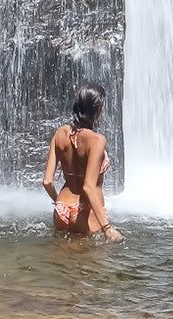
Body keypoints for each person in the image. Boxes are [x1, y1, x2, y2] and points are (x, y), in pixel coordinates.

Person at [42, 83, 123, 242]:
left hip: (62, 208)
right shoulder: (97, 140)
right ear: (97, 108)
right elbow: (88, 186)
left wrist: (60, 203)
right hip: (86, 211)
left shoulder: (60, 133)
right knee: (93, 262)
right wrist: (108, 228)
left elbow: (47, 181)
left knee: (62, 261)